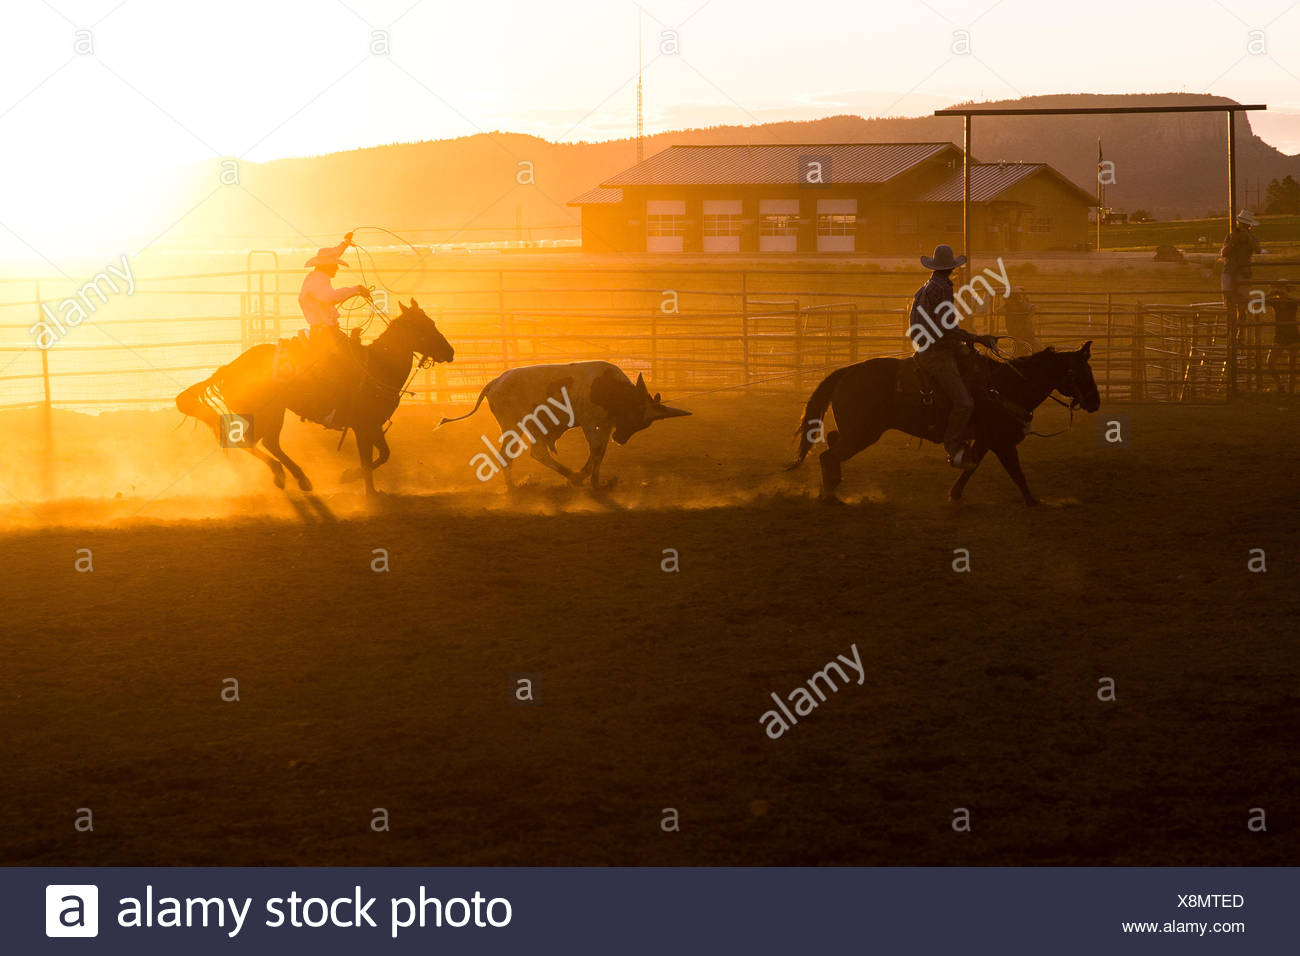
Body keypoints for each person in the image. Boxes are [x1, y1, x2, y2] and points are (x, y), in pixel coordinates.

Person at [908, 243, 998, 470]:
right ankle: (954, 446)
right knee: (964, 402)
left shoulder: (926, 287)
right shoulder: (942, 289)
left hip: (928, 346)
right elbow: (946, 327)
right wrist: (977, 338)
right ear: (951, 268)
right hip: (936, 352)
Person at [294, 234, 373, 425]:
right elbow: (329, 297)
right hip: (325, 334)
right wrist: (356, 289)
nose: (337, 267)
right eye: (334, 264)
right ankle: (334, 409)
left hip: (324, 331)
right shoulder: (319, 280)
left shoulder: (316, 277)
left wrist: (345, 243)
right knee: (347, 365)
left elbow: (334, 253)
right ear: (326, 265)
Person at [1220, 210, 1261, 348]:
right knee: (1229, 304)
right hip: (1230, 271)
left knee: (1242, 305)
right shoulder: (1231, 237)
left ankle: (1239, 335)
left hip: (1243, 273)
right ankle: (1232, 333)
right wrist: (1233, 243)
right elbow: (1224, 253)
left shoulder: (1252, 238)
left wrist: (1247, 238)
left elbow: (1258, 249)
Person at [1266, 280, 1299, 393]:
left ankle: (1291, 390)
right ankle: (1280, 385)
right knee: (1270, 363)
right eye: (1278, 288)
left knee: (1292, 365)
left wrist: (1286, 295)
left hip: (1292, 335)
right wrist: (1271, 294)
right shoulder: (1275, 301)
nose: (1280, 290)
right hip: (1280, 336)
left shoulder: (1292, 301)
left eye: (1282, 288)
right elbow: (1258, 302)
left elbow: (1296, 300)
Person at [1003, 286, 1040, 356]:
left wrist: (1028, 317)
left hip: (1026, 335)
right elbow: (999, 310)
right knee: (1020, 350)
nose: (1007, 301)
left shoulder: (1023, 306)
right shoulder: (1008, 307)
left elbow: (1033, 307)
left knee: (1035, 348)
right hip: (1016, 335)